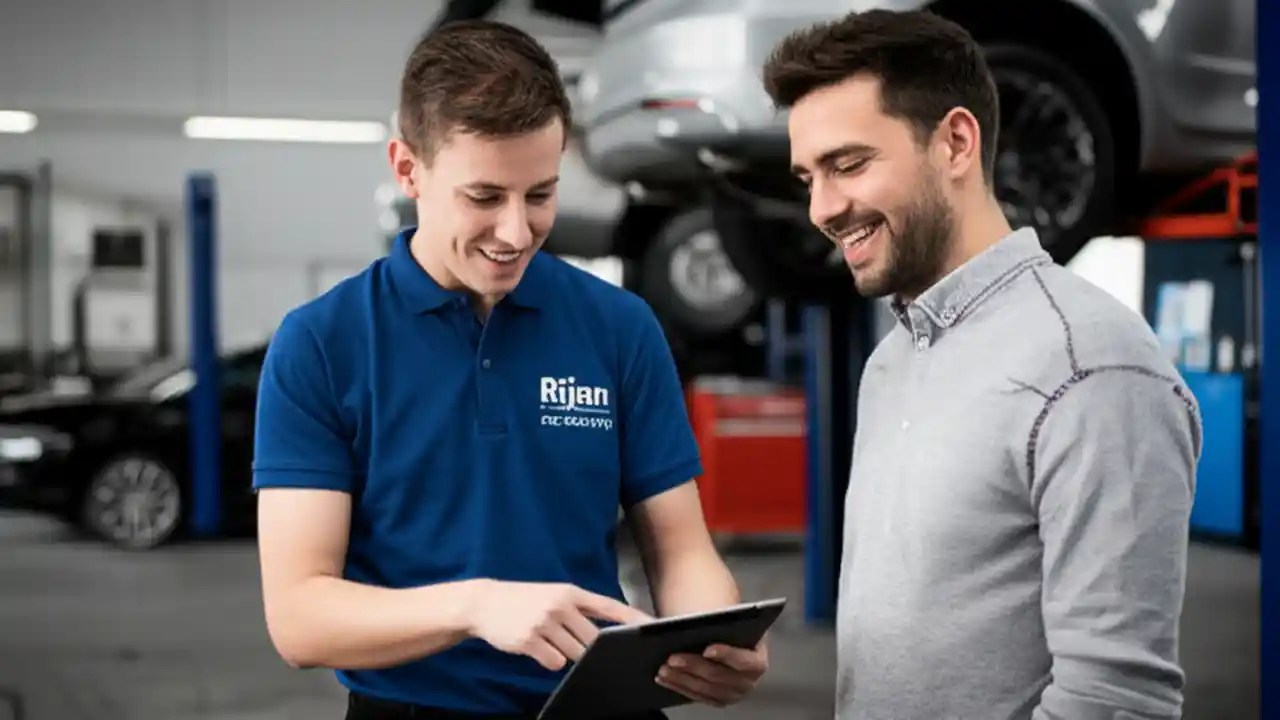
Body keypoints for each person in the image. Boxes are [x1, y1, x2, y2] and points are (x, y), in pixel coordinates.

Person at [252, 19, 767, 719]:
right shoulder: (321, 344)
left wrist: (713, 635)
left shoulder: (619, 328)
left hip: (597, 705)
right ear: (409, 169)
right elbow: (301, 618)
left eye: (541, 194)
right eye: (485, 197)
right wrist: (476, 606)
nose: (516, 232)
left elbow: (680, 551)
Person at [761, 9, 1201, 720]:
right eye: (807, 177)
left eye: (848, 165)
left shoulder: (1090, 368)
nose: (823, 207)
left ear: (956, 144)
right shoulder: (893, 359)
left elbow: (1115, 700)